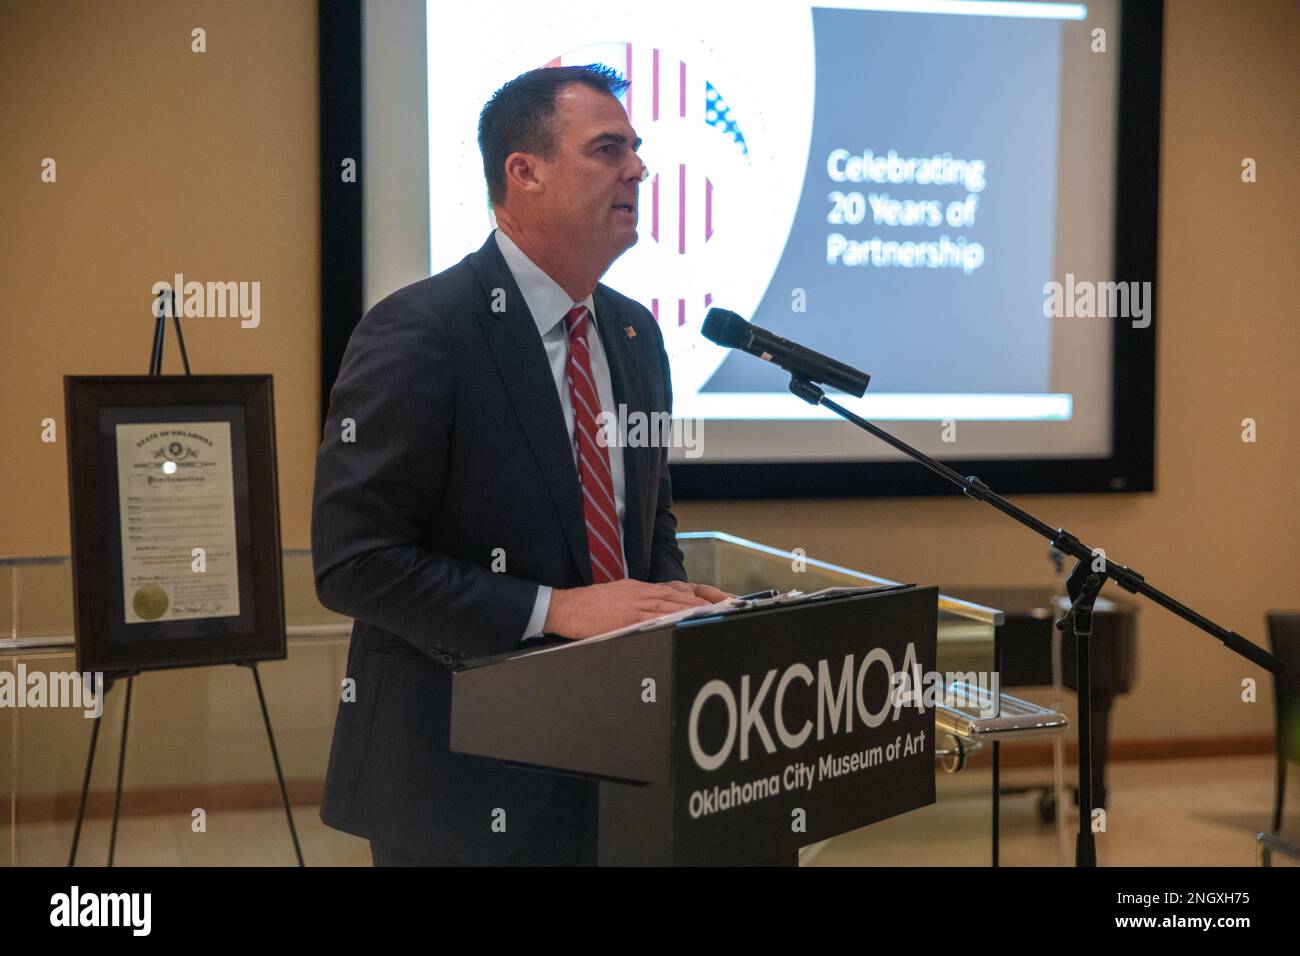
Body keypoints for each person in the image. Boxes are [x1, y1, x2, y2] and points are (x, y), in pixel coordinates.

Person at [311, 63, 728, 866]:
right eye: (608, 149)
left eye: (636, 150)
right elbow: (354, 563)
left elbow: (648, 520)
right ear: (524, 172)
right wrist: (557, 610)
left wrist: (674, 607)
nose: (637, 168)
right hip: (459, 779)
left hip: (623, 763)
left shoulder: (636, 335)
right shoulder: (420, 331)